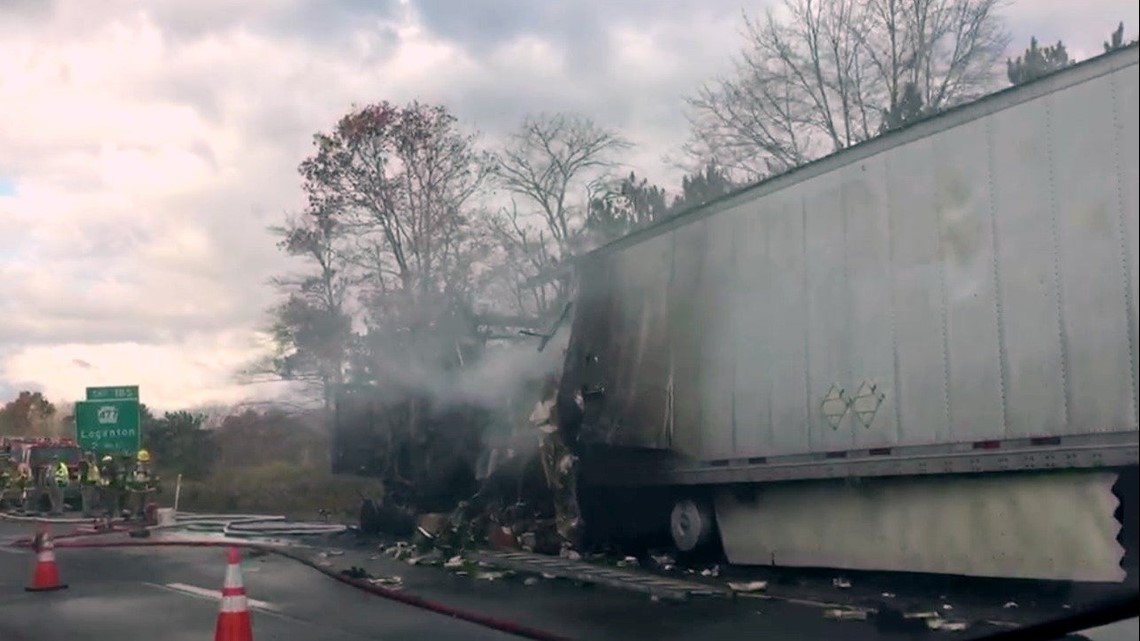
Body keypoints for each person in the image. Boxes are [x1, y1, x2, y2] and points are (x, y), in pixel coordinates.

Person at [78, 451, 101, 517]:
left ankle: (89, 512)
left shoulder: (93, 464)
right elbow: (81, 474)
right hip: (86, 484)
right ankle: (86, 513)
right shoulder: (84, 463)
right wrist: (81, 484)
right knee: (86, 500)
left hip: (93, 483)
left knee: (92, 499)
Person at [98, 455, 120, 519]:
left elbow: (112, 477)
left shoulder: (108, 468)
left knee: (110, 500)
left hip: (110, 487)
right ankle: (108, 513)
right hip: (108, 487)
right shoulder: (106, 468)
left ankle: (109, 513)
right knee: (108, 500)